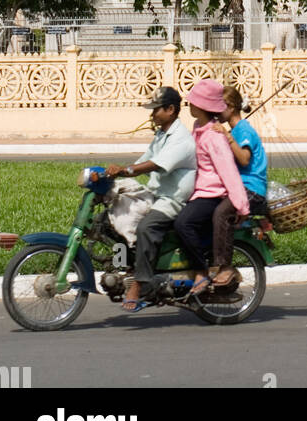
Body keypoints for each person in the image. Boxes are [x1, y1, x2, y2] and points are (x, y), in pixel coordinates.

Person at [106, 86, 197, 313]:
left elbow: (155, 164)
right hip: (155, 194)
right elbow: (143, 161)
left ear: (171, 110)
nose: (153, 114)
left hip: (171, 199)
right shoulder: (161, 136)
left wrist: (126, 170)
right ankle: (125, 266)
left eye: (157, 109)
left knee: (146, 227)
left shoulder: (181, 139)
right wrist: (118, 173)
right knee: (110, 214)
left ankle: (141, 284)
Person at [174, 79, 250, 297]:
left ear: (204, 106)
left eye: (194, 102)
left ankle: (202, 271)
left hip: (212, 195)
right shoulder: (198, 129)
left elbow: (229, 173)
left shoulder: (214, 136)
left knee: (183, 223)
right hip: (198, 192)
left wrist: (242, 206)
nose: (189, 105)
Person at [208, 85, 268, 289]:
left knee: (220, 214)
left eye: (219, 107)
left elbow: (244, 159)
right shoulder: (237, 129)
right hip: (239, 187)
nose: (216, 112)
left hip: (251, 190)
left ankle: (224, 267)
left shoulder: (243, 130)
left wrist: (227, 136)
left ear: (232, 107)